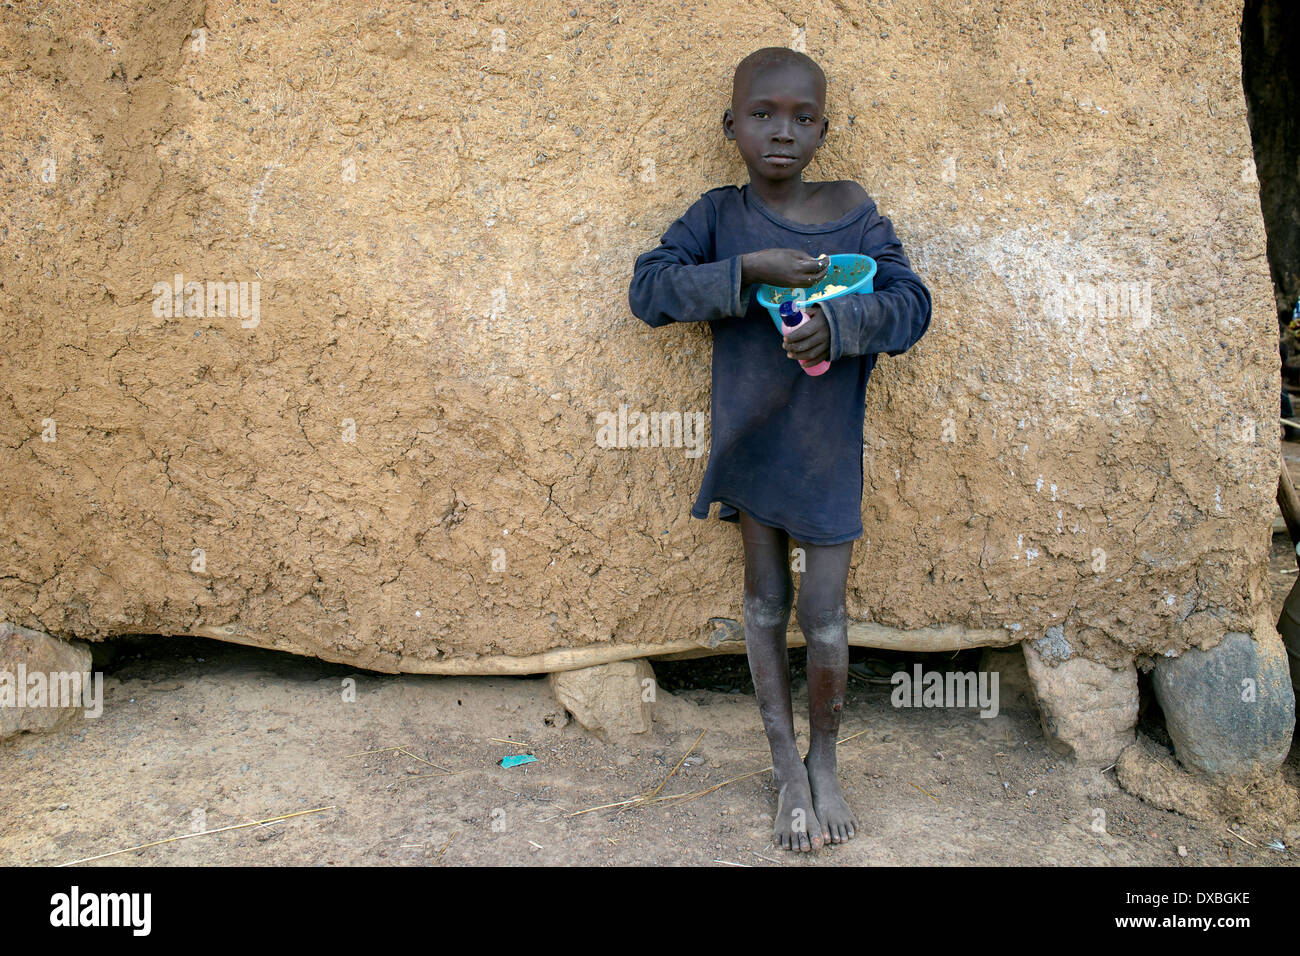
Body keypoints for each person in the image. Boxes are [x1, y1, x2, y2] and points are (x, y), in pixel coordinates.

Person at [628, 47, 932, 851]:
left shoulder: (856, 211)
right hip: (753, 444)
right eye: (763, 114)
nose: (782, 132)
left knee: (825, 617)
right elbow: (649, 288)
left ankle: (824, 758)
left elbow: (912, 304)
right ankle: (784, 767)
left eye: (802, 118)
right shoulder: (720, 218)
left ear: (824, 129)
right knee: (764, 606)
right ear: (731, 125)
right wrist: (742, 274)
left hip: (826, 453)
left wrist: (846, 323)